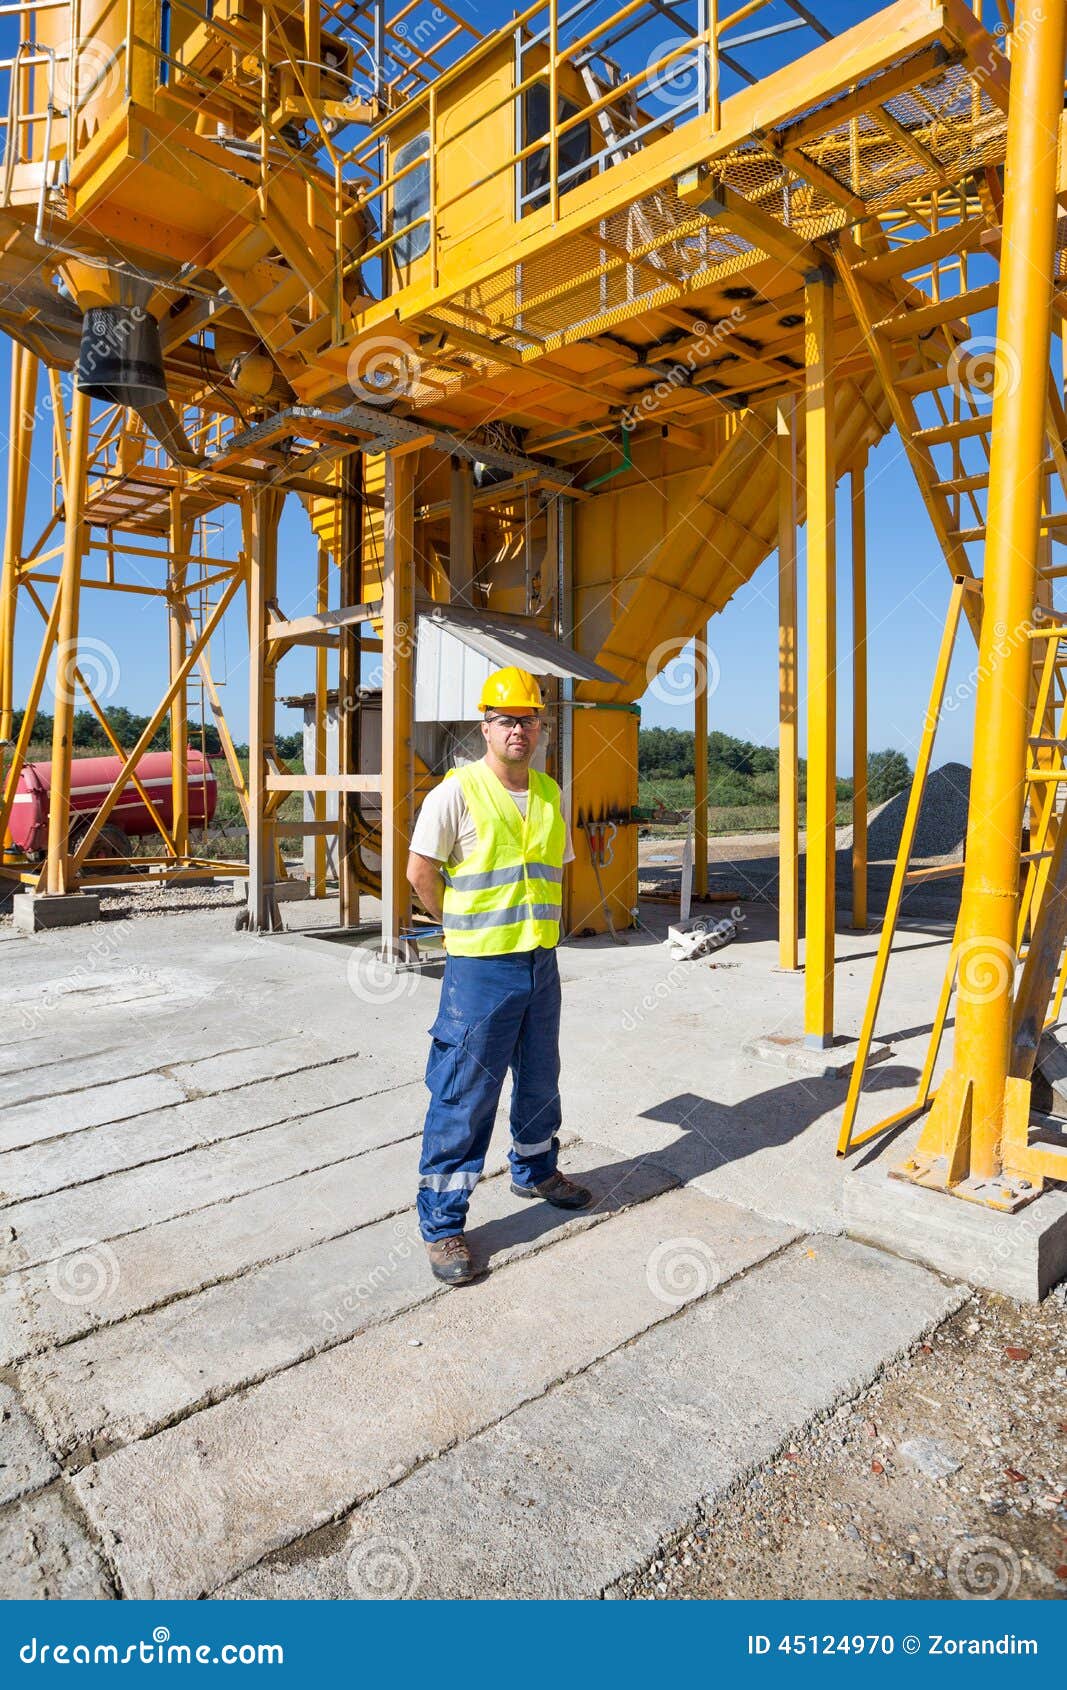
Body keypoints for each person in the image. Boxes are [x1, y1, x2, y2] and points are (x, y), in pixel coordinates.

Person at [406, 666, 592, 1285]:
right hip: (480, 970)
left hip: (540, 963)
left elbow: (551, 872)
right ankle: (443, 1225)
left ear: (541, 726)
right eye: (506, 718)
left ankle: (535, 1170)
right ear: (485, 725)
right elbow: (419, 873)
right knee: (464, 1094)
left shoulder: (549, 792)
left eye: (529, 718)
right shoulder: (455, 793)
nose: (519, 728)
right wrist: (458, 928)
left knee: (541, 1079)